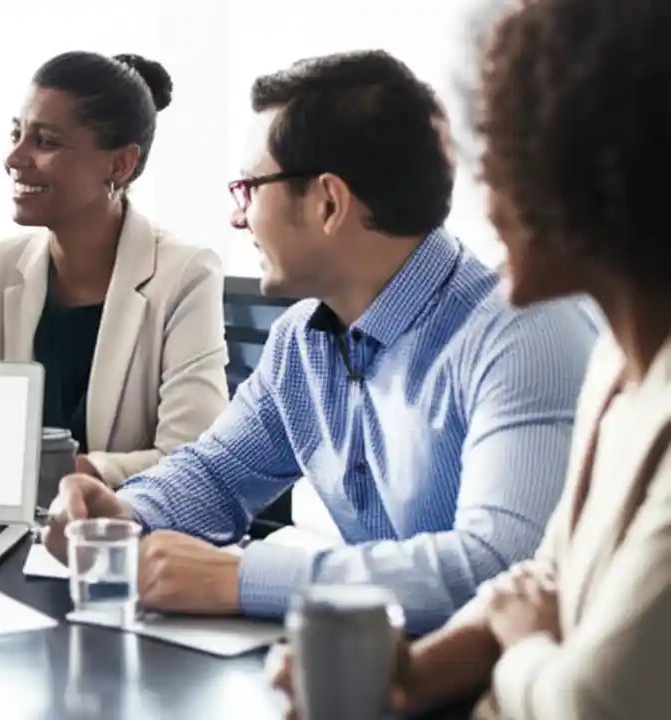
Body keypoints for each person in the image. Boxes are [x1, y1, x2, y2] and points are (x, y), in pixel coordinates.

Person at [43, 50, 599, 634]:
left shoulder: (525, 333)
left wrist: (240, 579)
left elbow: (498, 569)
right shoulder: (301, 342)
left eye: (248, 189)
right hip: (377, 673)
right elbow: (216, 472)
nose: (238, 218)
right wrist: (126, 513)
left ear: (329, 203)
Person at [267, 1, 671, 717]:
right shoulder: (618, 363)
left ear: (600, 167)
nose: (485, 199)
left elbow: (590, 703)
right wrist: (412, 673)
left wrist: (521, 646)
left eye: (505, 155)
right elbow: (538, 579)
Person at [0, 51, 228, 486]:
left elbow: (193, 457)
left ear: (120, 164)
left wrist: (73, 475)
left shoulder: (185, 274)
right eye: (17, 133)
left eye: (45, 141)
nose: (15, 158)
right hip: (5, 524)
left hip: (119, 535)